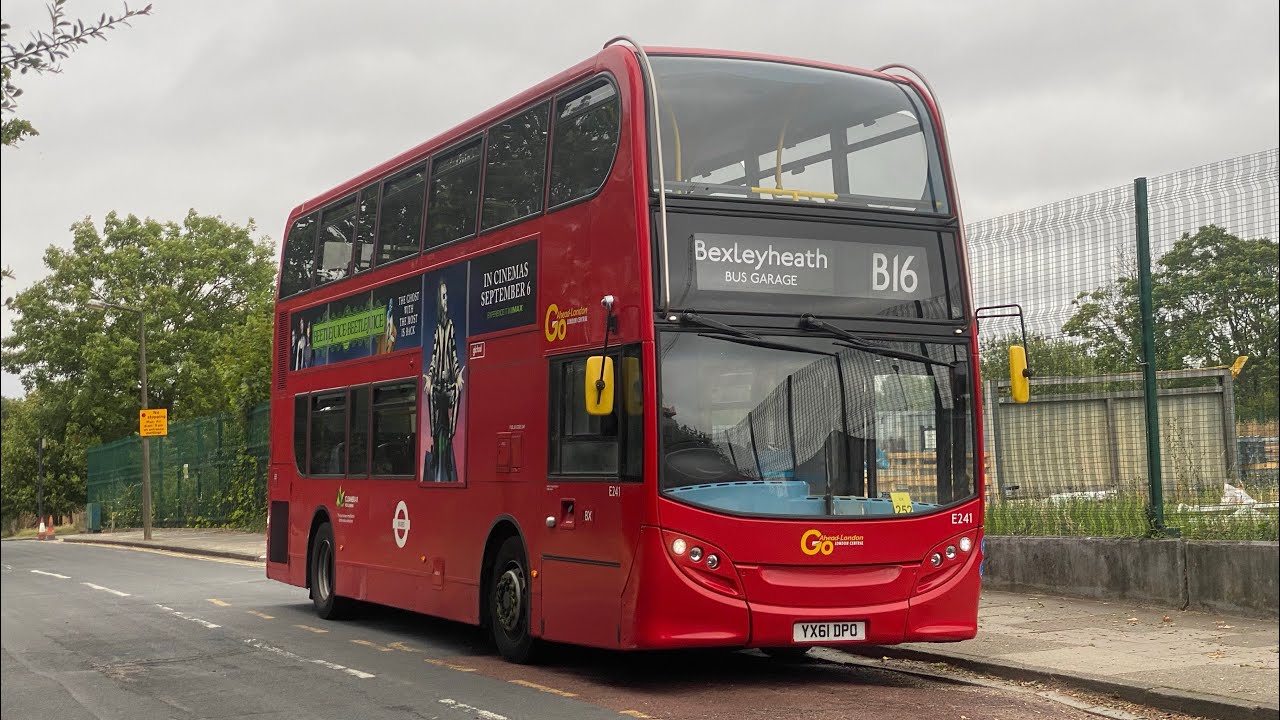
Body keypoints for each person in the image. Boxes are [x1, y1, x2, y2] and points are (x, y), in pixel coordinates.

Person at [423, 279, 463, 482]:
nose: (446, 299)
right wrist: (429, 379)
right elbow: (433, 357)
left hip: (448, 387)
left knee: (458, 392)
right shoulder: (438, 330)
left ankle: (450, 436)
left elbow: (454, 355)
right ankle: (434, 438)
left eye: (446, 295)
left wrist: (458, 376)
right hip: (437, 386)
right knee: (429, 395)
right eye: (443, 296)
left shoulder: (451, 327)